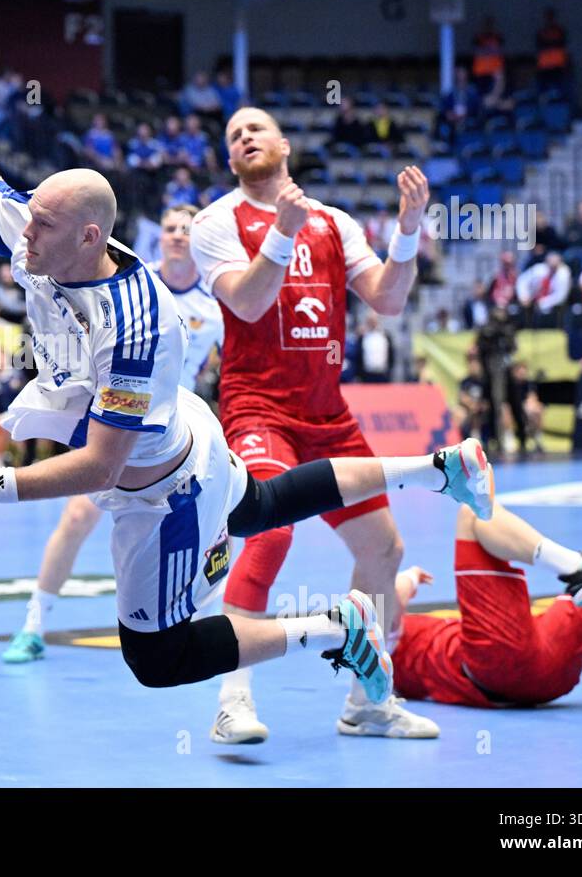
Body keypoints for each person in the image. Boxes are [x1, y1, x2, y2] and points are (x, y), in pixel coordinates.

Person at [0, 10, 494, 708]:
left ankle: (332, 624)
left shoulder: (135, 325)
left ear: (88, 237)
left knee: (158, 655)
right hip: (188, 425)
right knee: (261, 506)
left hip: (166, 487)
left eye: (43, 225)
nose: (26, 232)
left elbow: (102, 466)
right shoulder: (48, 239)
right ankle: (435, 469)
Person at [187, 104, 439, 741]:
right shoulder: (216, 221)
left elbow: (389, 296)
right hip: (257, 409)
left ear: (284, 144)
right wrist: (280, 232)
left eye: (255, 129)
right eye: (233, 135)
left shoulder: (333, 222)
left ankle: (365, 702)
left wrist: (406, 231)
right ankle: (232, 701)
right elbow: (247, 300)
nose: (245, 137)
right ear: (229, 158)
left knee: (384, 548)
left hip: (327, 414)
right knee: (269, 534)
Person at [2, 203, 224, 663]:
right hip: (114, 425)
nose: (178, 236)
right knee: (78, 519)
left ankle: (195, 617)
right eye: (170, 228)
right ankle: (33, 623)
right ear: (159, 236)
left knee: (211, 525)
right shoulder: (136, 282)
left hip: (173, 439)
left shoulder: (213, 305)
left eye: (187, 229)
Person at [392, 471, 582, 707]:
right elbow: (386, 596)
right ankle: (579, 566)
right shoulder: (377, 638)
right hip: (497, 662)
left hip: (553, 677)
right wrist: (409, 578)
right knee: (473, 513)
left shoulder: (388, 673)